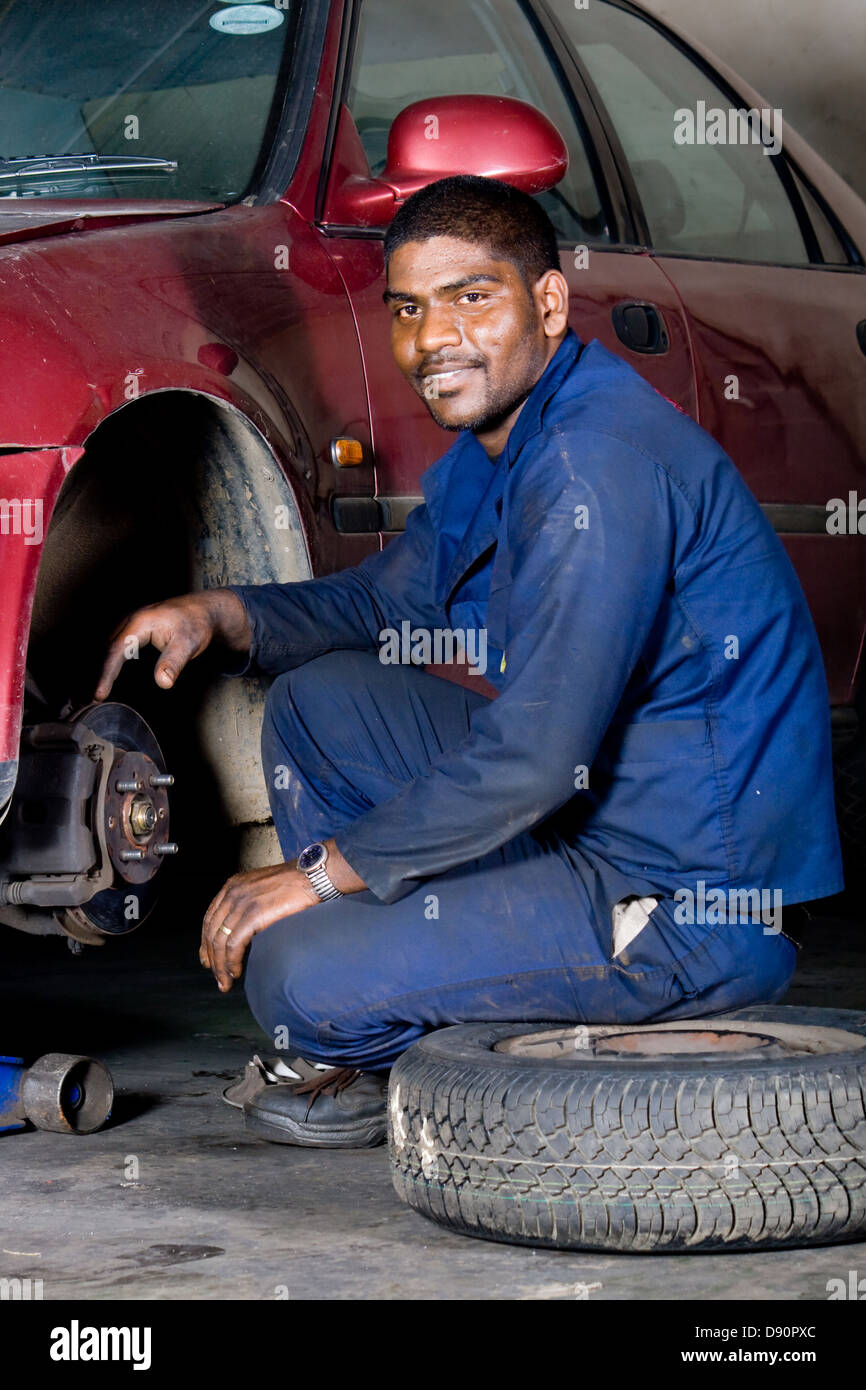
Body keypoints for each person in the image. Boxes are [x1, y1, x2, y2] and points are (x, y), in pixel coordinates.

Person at [96, 175, 843, 1148]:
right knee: (320, 703)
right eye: (408, 308)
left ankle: (358, 1011)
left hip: (686, 904)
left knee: (291, 973)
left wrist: (320, 876)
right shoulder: (516, 437)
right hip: (599, 819)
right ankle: (389, 1001)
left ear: (545, 303)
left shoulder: (592, 466)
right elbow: (386, 599)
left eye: (470, 298)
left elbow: (534, 756)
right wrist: (222, 611)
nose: (432, 338)